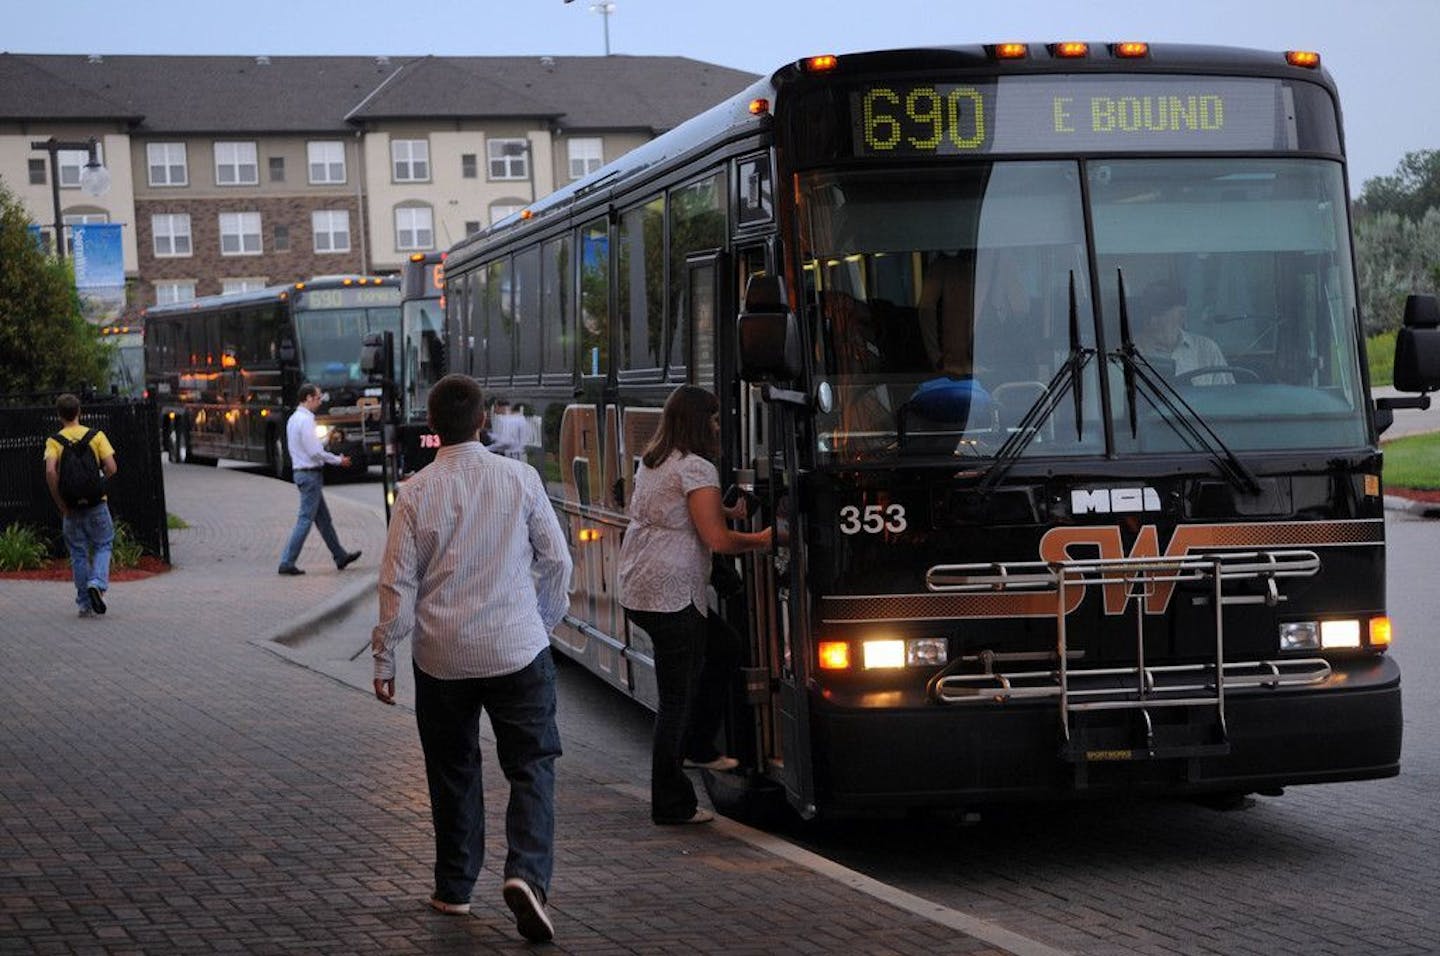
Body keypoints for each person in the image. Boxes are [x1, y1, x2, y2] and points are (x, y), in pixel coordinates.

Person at [371, 373, 572, 944]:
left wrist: (384, 658)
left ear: (432, 428)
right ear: (483, 420)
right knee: (532, 764)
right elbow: (557, 563)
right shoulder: (521, 478)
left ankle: (454, 889)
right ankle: (527, 875)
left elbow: (396, 584)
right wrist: (541, 624)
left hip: (441, 658)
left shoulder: (413, 493)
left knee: (453, 770)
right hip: (517, 649)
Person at [618, 385, 773, 826]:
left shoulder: (656, 460)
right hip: (672, 594)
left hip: (641, 586)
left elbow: (683, 516)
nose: (720, 425)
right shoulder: (697, 468)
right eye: (715, 418)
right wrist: (761, 539)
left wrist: (729, 514)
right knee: (676, 700)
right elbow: (717, 540)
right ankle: (670, 802)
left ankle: (700, 743)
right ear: (698, 422)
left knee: (723, 647)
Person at [43, 393, 118, 618]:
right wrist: (97, 483)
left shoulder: (54, 441)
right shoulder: (96, 436)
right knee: (104, 543)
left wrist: (60, 502)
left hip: (71, 506)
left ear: (59, 415)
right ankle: (97, 582)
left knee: (78, 552)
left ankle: (84, 603)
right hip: (96, 503)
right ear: (79, 412)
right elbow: (112, 467)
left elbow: (50, 471)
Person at [1133, 281, 1233, 385]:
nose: (1152, 320)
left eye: (1159, 314)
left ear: (1181, 316)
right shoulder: (1131, 353)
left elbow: (1229, 396)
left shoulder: (1207, 350)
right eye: (1148, 313)